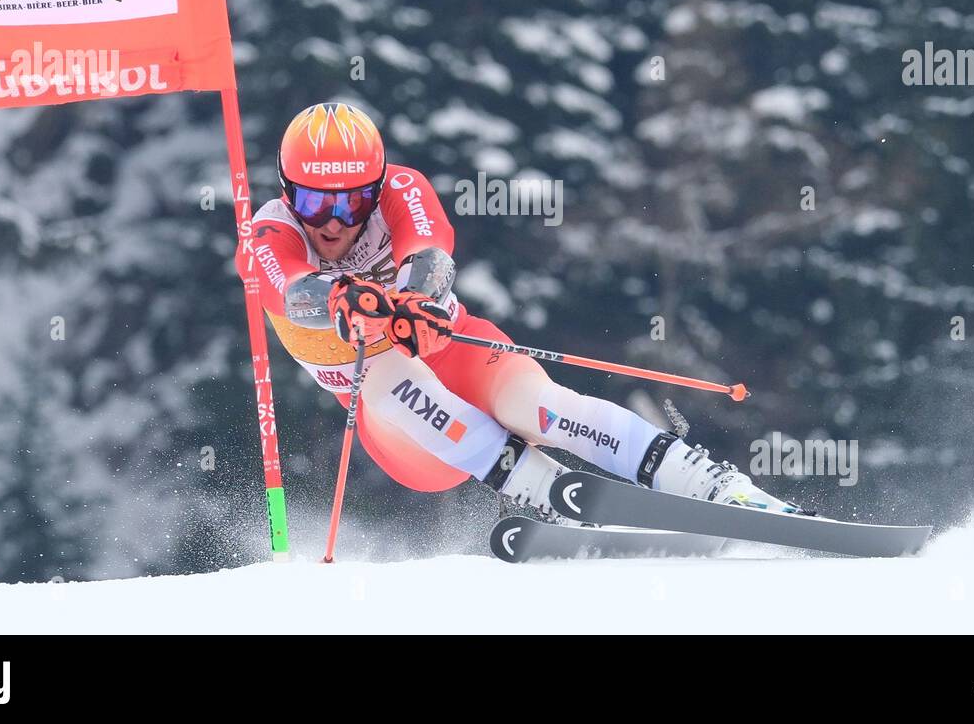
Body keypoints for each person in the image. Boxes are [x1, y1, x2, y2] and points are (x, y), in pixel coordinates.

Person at [243, 101, 801, 519]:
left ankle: (718, 487)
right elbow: (290, 292)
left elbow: (431, 248)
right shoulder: (271, 231)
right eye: (317, 201)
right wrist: (342, 296)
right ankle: (552, 492)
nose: (335, 221)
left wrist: (414, 297)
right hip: (404, 430)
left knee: (543, 407)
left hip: (460, 351)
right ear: (289, 192)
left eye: (354, 199)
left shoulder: (401, 189)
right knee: (384, 374)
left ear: (378, 185)